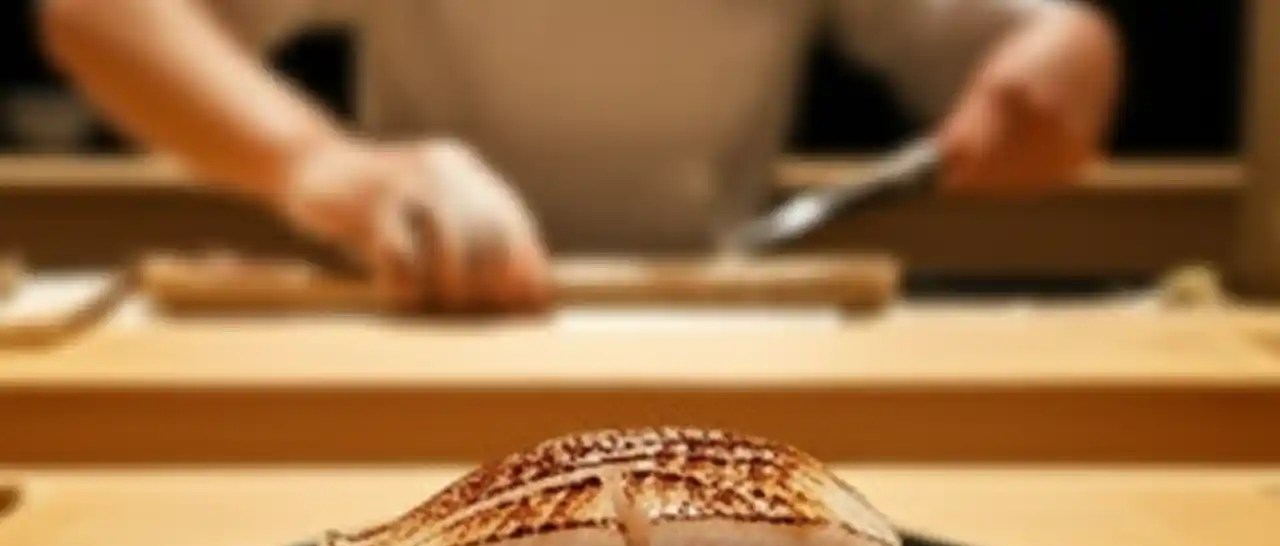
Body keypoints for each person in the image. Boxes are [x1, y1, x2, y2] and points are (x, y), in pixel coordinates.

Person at [40, 0, 1121, 311]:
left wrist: (1069, 56)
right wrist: (322, 166)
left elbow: (1031, 42)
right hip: (420, 320)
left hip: (724, 329)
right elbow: (101, 14)